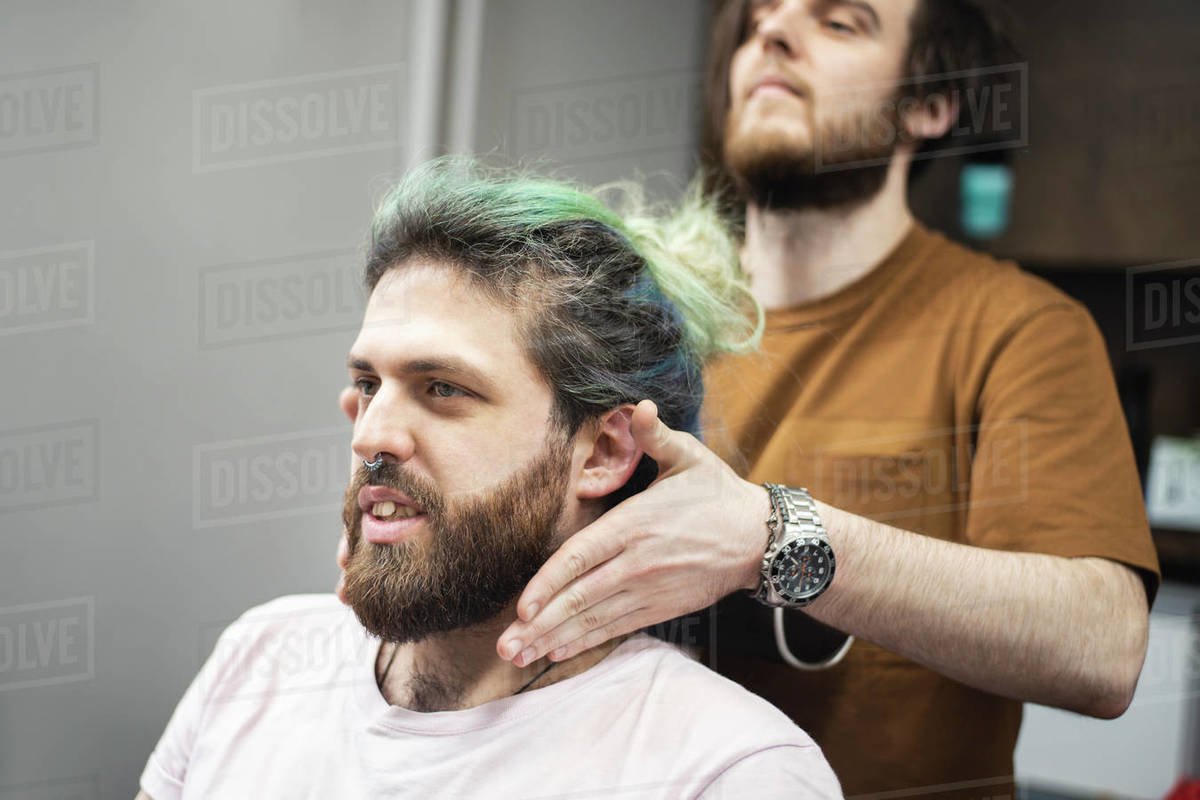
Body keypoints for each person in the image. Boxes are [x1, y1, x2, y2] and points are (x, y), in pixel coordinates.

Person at [334, 0, 1160, 795]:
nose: (774, 33)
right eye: (760, 16)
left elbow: (1103, 650)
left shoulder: (1019, 331)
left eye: (839, 20)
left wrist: (770, 536)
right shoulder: (633, 317)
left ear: (934, 104)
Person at [137, 159, 843, 799]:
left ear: (601, 452)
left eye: (442, 388)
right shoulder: (259, 660)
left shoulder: (731, 770)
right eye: (368, 382)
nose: (370, 434)